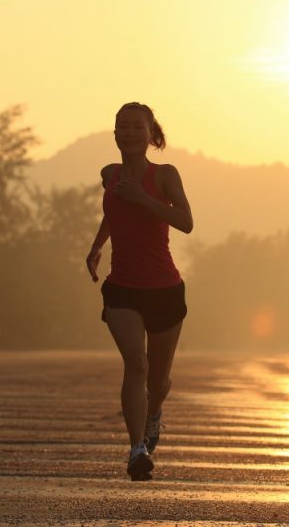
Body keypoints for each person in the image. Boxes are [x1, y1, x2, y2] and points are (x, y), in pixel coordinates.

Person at [86, 102, 194, 481]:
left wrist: (145, 200)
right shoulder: (109, 174)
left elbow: (186, 222)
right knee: (136, 363)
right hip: (123, 289)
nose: (129, 132)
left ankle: (154, 414)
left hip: (164, 290)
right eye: (123, 126)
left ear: (151, 135)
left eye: (137, 127)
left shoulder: (165, 175)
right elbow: (114, 213)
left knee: (158, 381)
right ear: (114, 133)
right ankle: (136, 451)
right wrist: (98, 245)